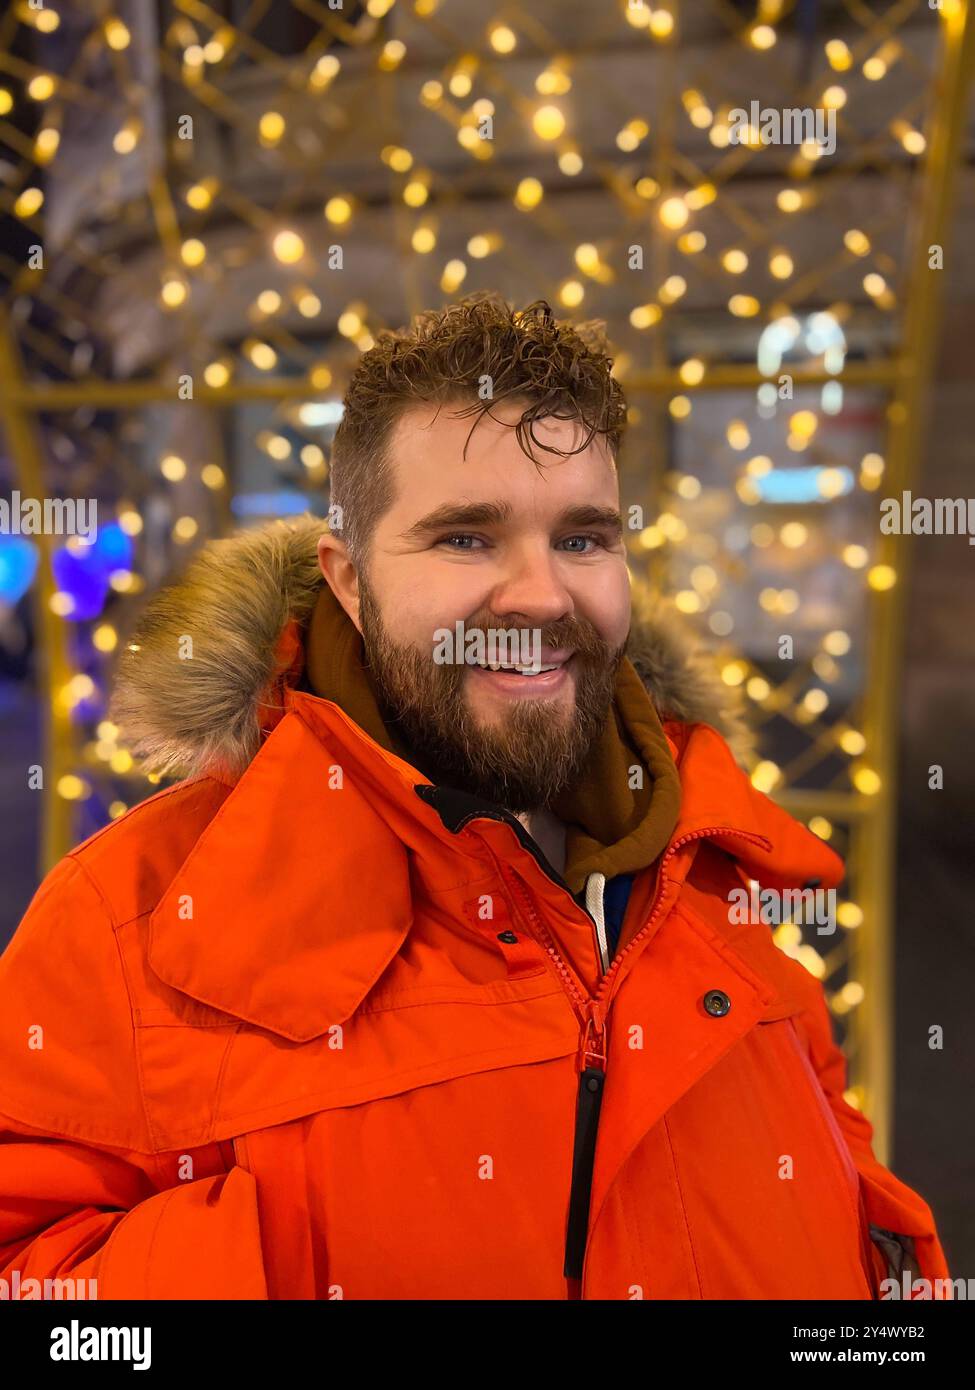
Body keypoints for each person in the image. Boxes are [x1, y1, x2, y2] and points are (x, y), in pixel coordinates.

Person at [0, 294, 949, 1299]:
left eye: (583, 538)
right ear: (351, 581)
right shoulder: (132, 915)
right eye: (465, 538)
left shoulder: (725, 868)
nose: (540, 593)